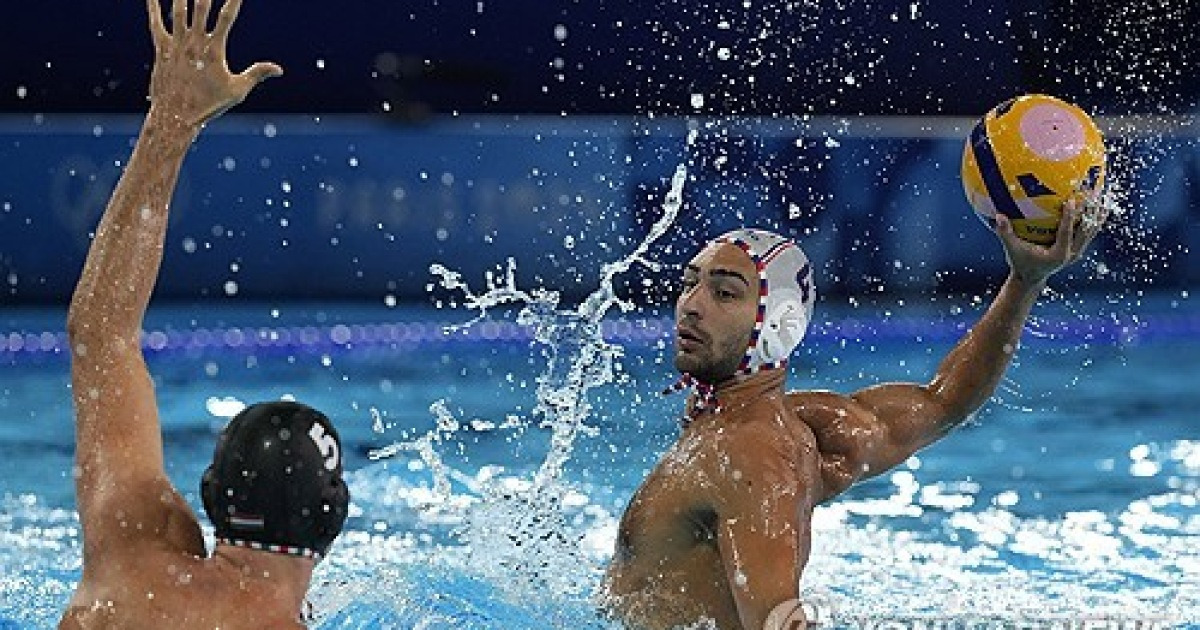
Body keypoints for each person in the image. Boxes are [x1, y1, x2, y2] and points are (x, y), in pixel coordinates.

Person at [602, 201, 1107, 629]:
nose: (691, 305)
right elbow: (943, 403)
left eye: (724, 293)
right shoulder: (807, 430)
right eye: (690, 283)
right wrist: (1024, 281)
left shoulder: (747, 454)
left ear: (778, 323)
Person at [59, 0, 349, 628]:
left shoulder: (129, 561)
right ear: (335, 517)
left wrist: (171, 122)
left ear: (210, 497)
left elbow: (100, 336)